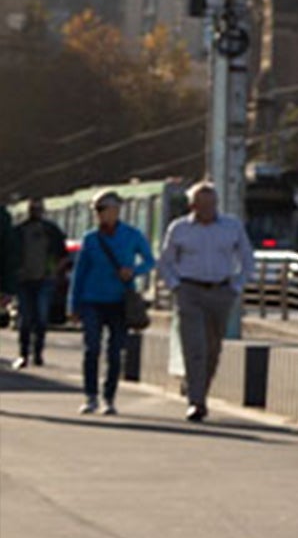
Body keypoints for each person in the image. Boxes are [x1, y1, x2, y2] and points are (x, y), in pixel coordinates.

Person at [160, 181, 254, 422]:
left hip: (221, 291)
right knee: (195, 347)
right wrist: (175, 286)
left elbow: (246, 258)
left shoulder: (231, 226)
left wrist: (236, 286)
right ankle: (196, 401)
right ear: (192, 206)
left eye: (212, 204)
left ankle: (200, 390)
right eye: (202, 205)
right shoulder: (179, 228)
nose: (208, 210)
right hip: (190, 291)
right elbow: (166, 261)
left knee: (213, 348)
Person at [68, 193, 153, 413]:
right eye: (95, 210)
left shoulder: (132, 235)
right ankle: (90, 396)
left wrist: (133, 271)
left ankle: (109, 397)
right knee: (91, 349)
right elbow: (80, 273)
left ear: (115, 210)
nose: (97, 215)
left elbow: (150, 261)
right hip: (92, 300)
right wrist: (73, 305)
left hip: (119, 301)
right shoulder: (90, 238)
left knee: (115, 352)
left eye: (101, 209)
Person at [8, 197, 64, 368]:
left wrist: (54, 271)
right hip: (24, 281)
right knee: (25, 318)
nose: (35, 212)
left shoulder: (51, 231)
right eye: (33, 209)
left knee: (41, 317)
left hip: (44, 280)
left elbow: (62, 254)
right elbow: (10, 255)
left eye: (38, 209)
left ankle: (38, 353)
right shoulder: (19, 231)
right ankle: (23, 353)